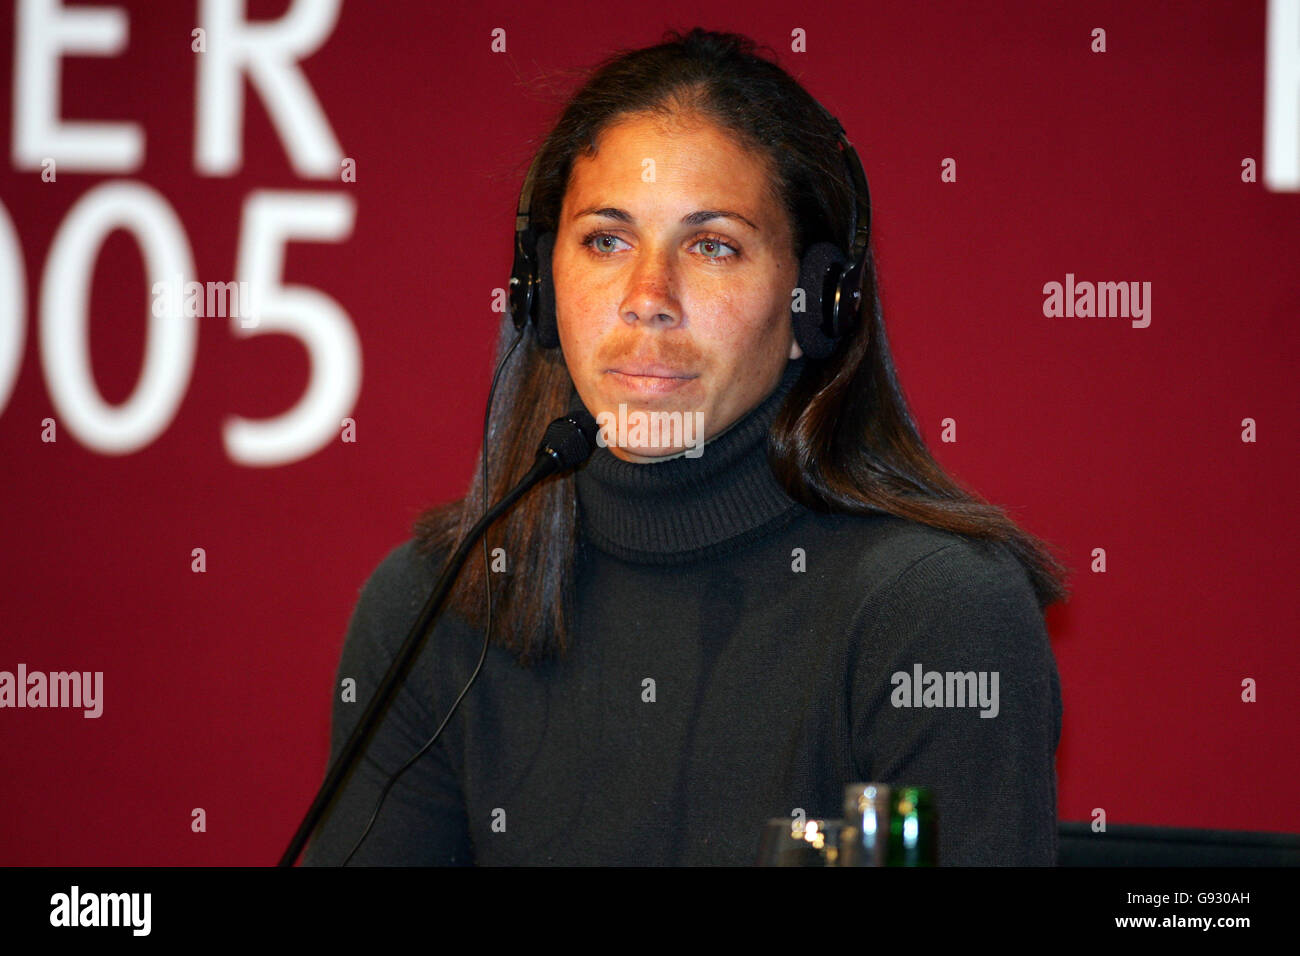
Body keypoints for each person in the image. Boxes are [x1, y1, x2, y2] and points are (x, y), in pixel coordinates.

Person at [301, 27, 1068, 867]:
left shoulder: (936, 616)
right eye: (605, 239)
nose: (647, 299)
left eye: (713, 246)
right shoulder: (432, 608)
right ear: (539, 288)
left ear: (816, 305)